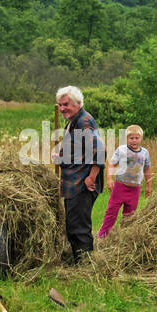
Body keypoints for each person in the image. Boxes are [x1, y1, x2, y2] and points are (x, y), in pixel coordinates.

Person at [51, 85, 104, 263]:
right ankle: (78, 260)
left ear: (78, 103)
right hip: (73, 182)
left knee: (79, 227)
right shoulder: (73, 121)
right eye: (60, 105)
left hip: (82, 183)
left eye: (66, 104)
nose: (62, 108)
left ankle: (86, 265)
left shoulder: (84, 122)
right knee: (73, 224)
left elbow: (99, 150)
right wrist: (60, 155)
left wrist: (91, 177)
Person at [97, 124, 151, 239]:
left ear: (141, 138)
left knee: (130, 215)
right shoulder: (121, 150)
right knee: (111, 211)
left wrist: (148, 185)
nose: (134, 140)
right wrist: (110, 178)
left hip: (135, 188)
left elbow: (147, 169)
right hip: (120, 186)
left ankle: (123, 236)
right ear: (127, 139)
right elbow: (112, 164)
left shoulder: (145, 153)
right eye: (131, 138)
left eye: (137, 138)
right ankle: (102, 236)